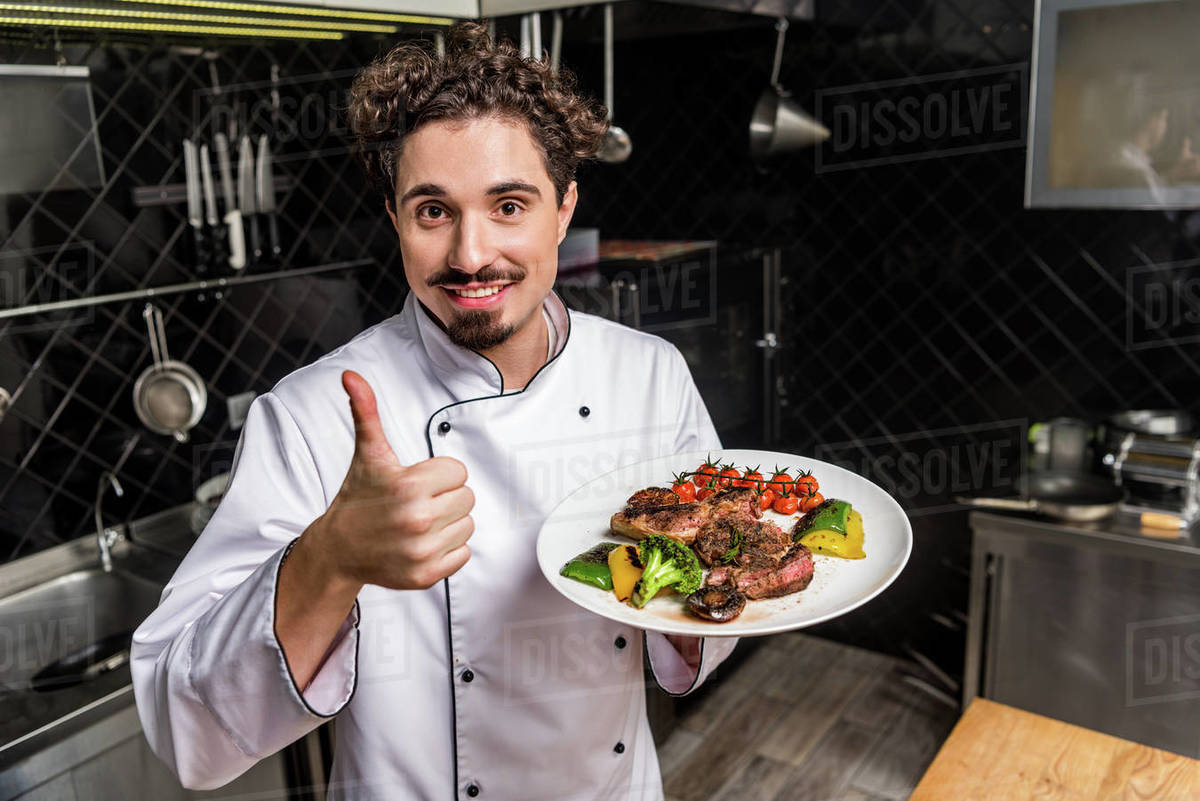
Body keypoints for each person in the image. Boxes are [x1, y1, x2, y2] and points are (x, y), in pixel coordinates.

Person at [131, 21, 739, 801]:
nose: (471, 254)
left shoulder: (648, 375)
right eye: (432, 212)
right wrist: (330, 558)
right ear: (395, 218)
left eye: (509, 205)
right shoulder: (313, 415)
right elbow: (186, 731)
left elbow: (716, 612)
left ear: (563, 209)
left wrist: (698, 576)